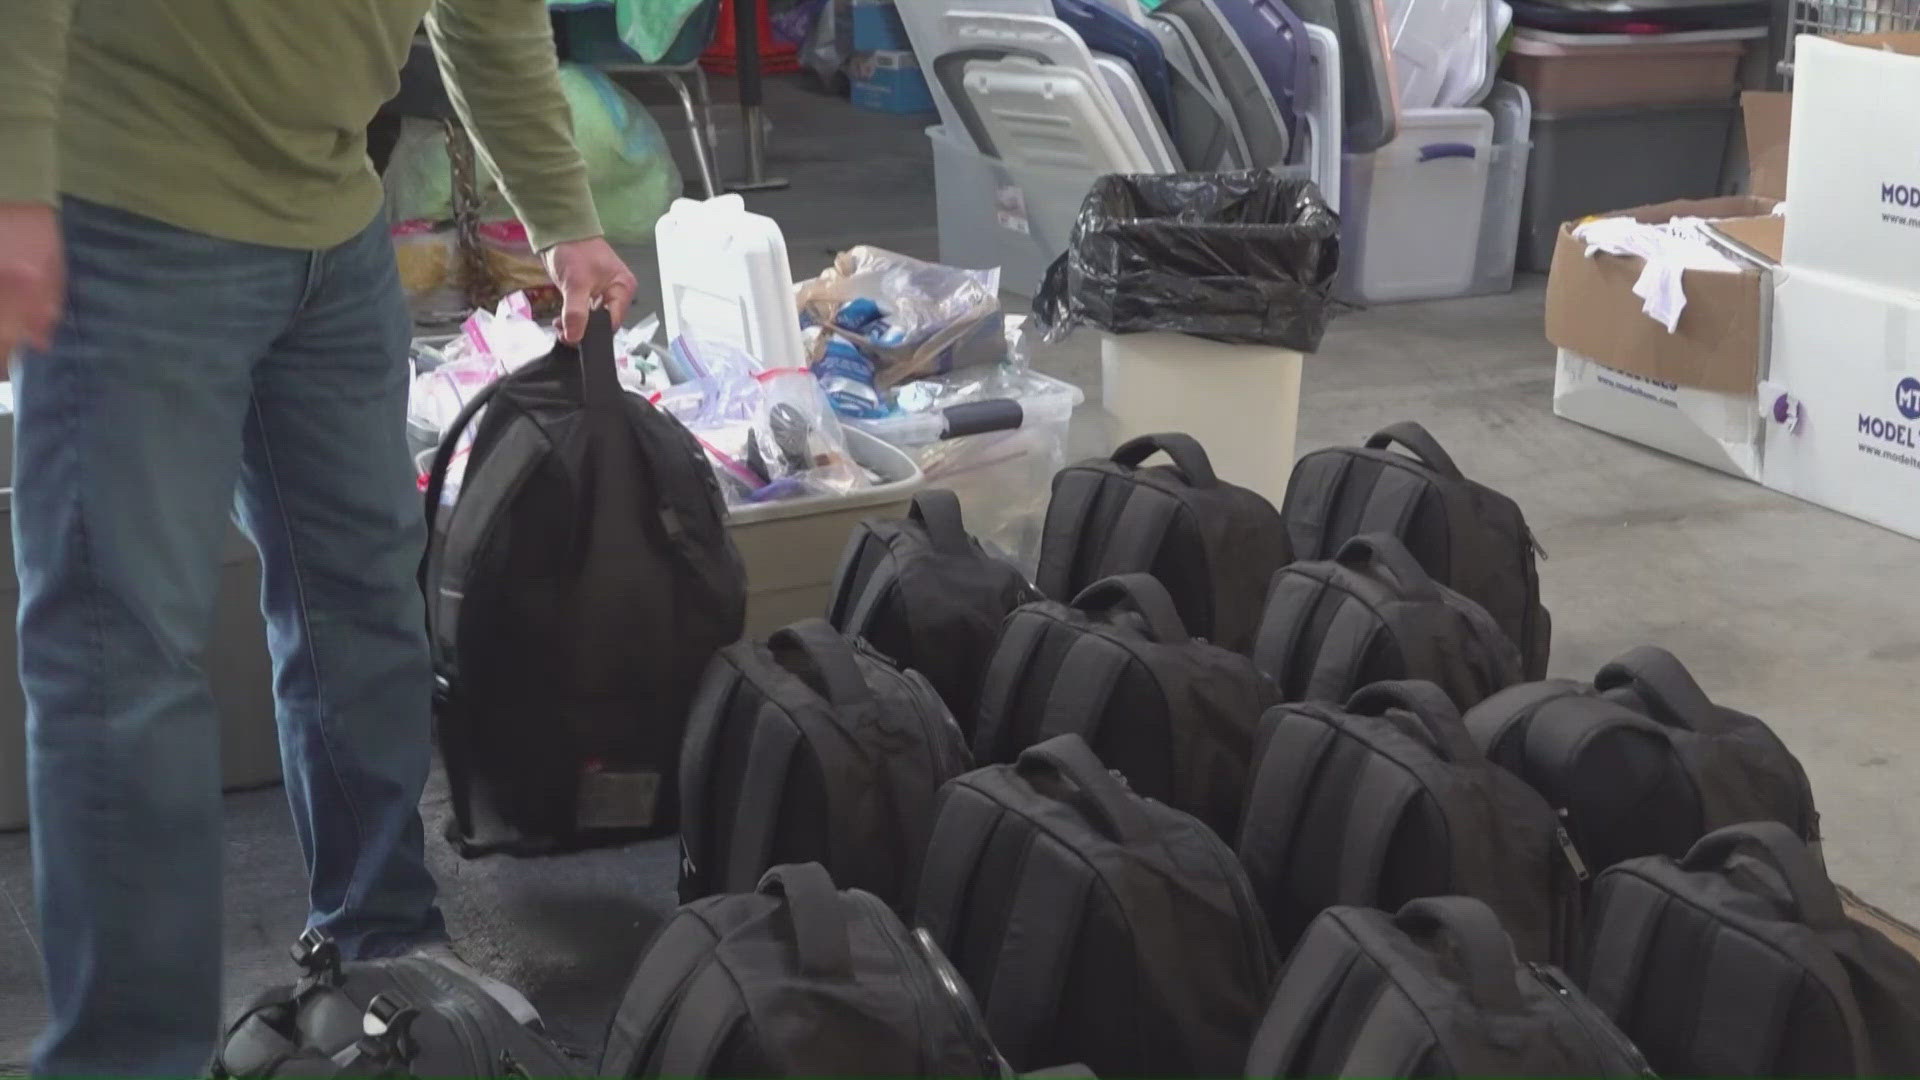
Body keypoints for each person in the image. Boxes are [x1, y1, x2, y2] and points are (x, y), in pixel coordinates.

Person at [0, 3, 640, 1075]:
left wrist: (564, 217)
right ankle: (124, 1057)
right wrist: (15, 173)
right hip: (127, 208)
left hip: (333, 222)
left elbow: (488, 12)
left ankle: (380, 945)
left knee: (365, 603)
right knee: (124, 661)